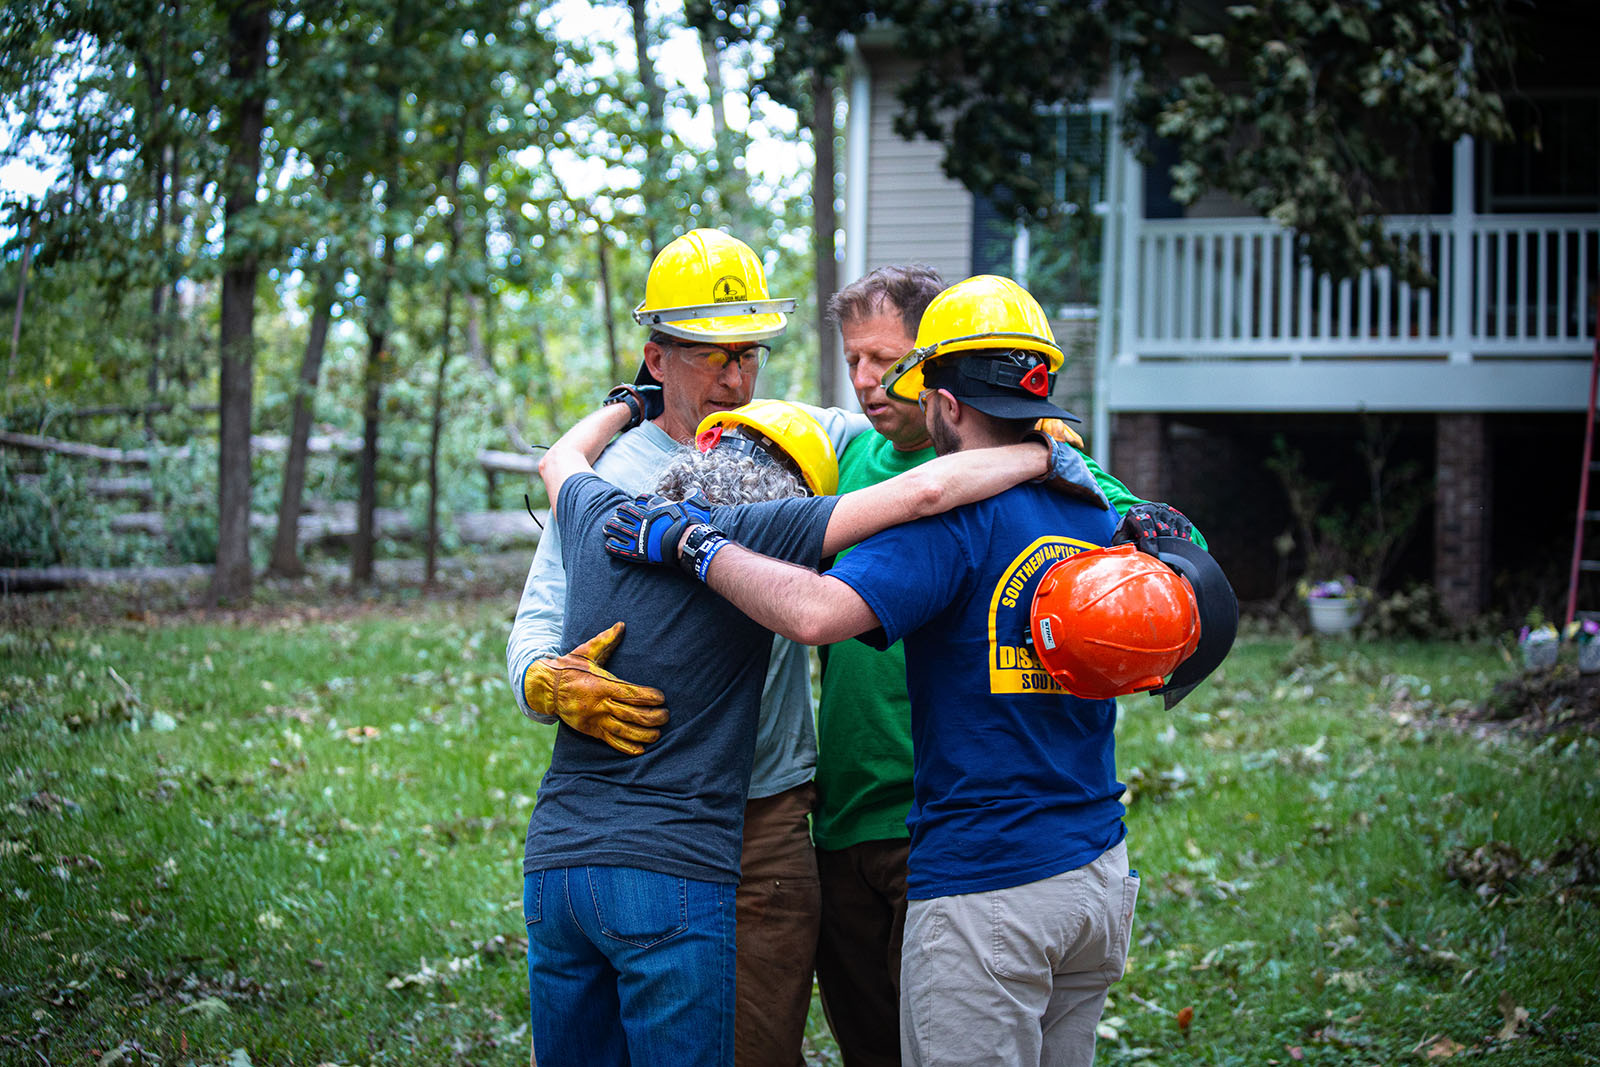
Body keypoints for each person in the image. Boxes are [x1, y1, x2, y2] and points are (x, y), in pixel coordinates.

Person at [605, 275, 1215, 1067]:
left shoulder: (949, 522)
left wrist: (694, 545)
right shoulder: (1097, 512)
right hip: (1095, 875)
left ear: (950, 404)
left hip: (985, 889)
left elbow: (817, 613)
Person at [525, 391, 1103, 1064]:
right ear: (795, 487)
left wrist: (626, 405)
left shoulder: (604, 510)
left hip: (554, 867)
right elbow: (925, 492)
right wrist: (1039, 450)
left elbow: (560, 458)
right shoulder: (762, 530)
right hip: (671, 869)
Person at [813, 266, 1201, 1066]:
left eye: (887, 362)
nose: (866, 381)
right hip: (857, 812)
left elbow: (1167, 568)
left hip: (967, 842)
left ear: (939, 382)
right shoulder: (841, 453)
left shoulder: (1076, 486)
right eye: (852, 360)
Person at [506, 228, 866, 1064]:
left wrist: (1022, 437)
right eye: (711, 355)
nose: (736, 378)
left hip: (765, 809)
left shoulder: (796, 441)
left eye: (750, 354)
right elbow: (536, 619)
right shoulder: (613, 475)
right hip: (635, 814)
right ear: (656, 358)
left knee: (756, 1044)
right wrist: (547, 684)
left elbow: (900, 433)